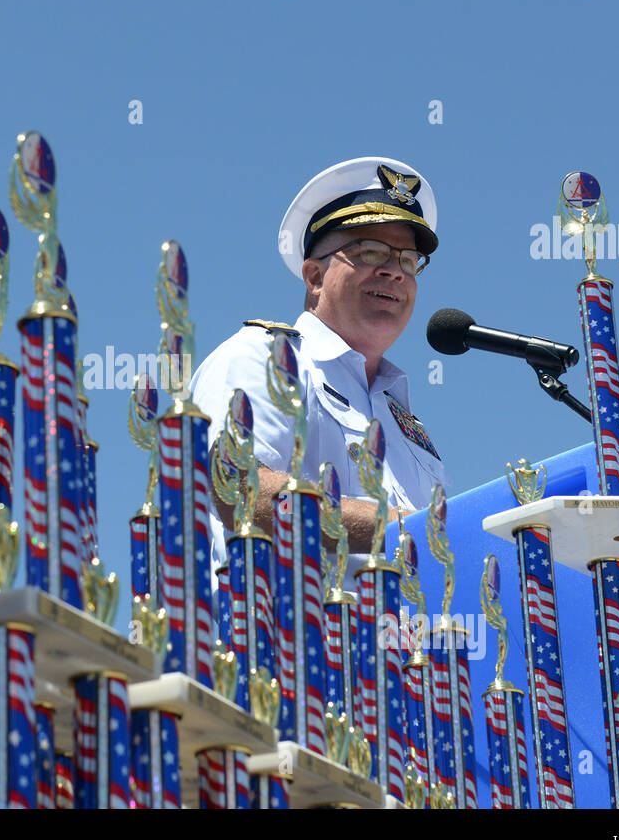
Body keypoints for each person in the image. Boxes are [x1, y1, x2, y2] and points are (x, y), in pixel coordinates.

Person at [188, 157, 446, 574]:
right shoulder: (265, 357)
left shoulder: (405, 420)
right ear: (314, 277)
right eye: (371, 251)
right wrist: (408, 530)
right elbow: (237, 486)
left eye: (408, 260)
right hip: (280, 634)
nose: (394, 272)